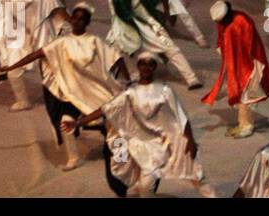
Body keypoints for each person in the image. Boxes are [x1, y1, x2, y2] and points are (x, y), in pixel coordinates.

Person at [0, 2, 129, 171]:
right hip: (72, 93)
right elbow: (36, 55)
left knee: (115, 122)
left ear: (87, 23)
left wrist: (127, 80)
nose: (78, 21)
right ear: (71, 19)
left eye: (82, 19)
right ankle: (74, 158)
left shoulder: (94, 41)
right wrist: (10, 67)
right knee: (66, 122)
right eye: (75, 18)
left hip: (95, 90)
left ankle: (122, 156)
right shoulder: (61, 42)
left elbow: (117, 58)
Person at [73, 51, 215, 198]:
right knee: (145, 187)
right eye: (143, 64)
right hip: (147, 146)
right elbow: (105, 109)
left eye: (150, 64)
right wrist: (78, 123)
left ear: (154, 67)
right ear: (139, 67)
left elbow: (181, 116)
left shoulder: (165, 91)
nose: (146, 67)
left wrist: (190, 140)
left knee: (194, 172)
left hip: (169, 140)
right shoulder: (130, 93)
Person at [202, 0, 269, 139]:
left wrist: (249, 67)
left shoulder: (242, 21)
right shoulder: (223, 23)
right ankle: (244, 123)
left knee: (246, 95)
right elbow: (222, 41)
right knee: (241, 94)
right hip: (234, 64)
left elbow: (250, 45)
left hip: (249, 63)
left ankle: (246, 126)